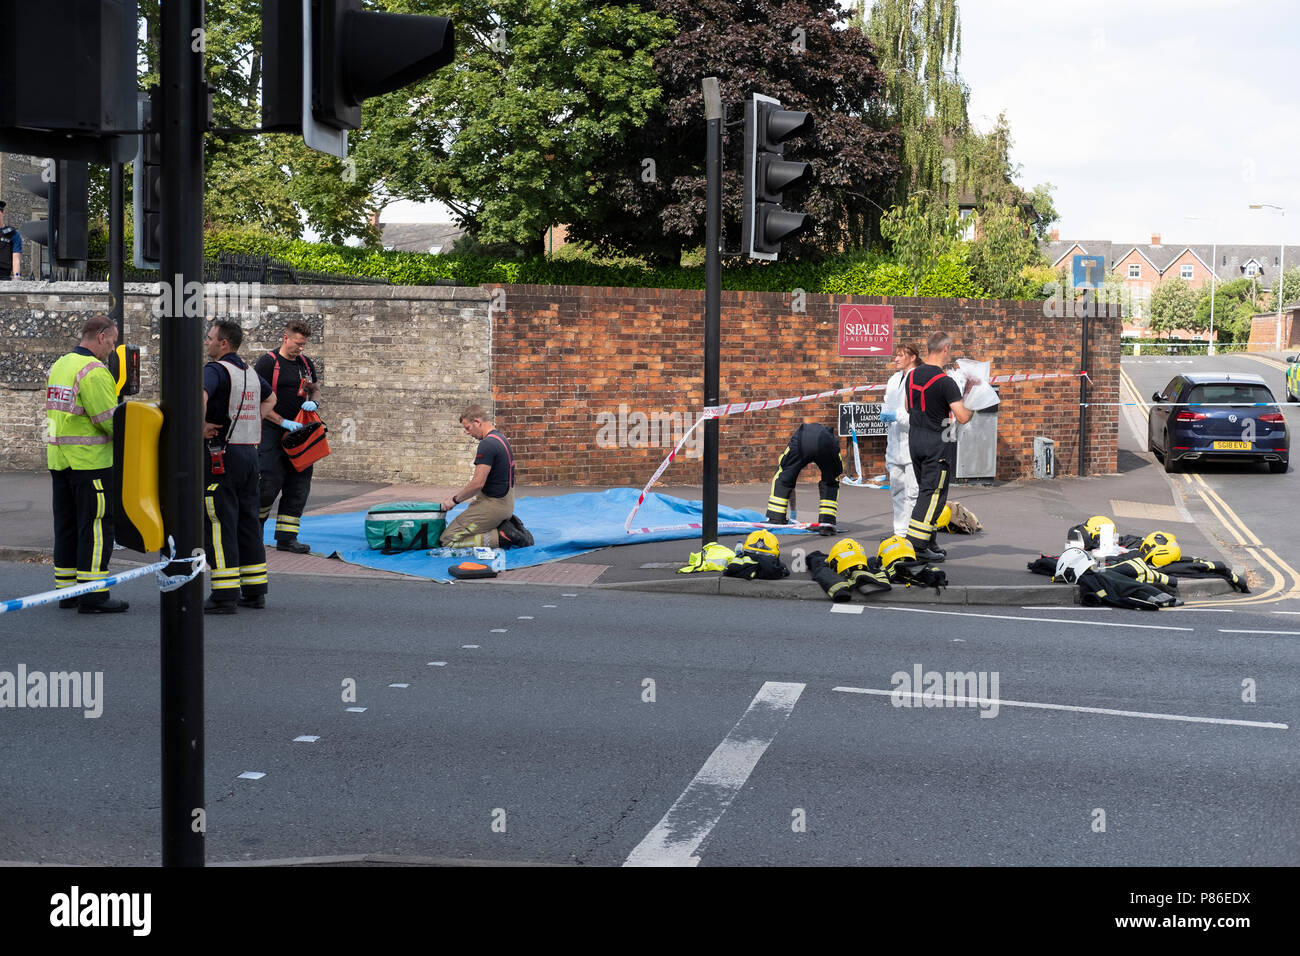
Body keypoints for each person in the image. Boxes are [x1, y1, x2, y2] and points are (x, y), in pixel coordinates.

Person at [45, 315, 127, 612]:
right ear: (102, 336)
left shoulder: (61, 365)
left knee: (66, 526)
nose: (113, 348)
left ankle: (66, 592)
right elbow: (110, 423)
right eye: (114, 341)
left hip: (59, 460)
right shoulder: (94, 371)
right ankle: (93, 595)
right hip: (90, 464)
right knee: (95, 526)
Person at [202, 319, 279, 613]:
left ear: (224, 343)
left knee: (219, 522)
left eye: (210, 338)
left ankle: (224, 595)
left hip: (222, 455)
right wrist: (251, 422)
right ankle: (255, 590)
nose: (206, 342)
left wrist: (200, 427)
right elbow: (271, 398)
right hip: (249, 455)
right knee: (248, 522)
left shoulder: (216, 370)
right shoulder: (248, 372)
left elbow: (202, 395)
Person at [903, 331, 972, 562]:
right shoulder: (945, 382)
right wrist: (974, 399)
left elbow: (907, 407)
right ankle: (917, 546)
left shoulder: (911, 375)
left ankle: (929, 541)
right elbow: (962, 417)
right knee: (933, 494)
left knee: (927, 489)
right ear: (946, 350)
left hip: (915, 439)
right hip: (936, 442)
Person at [254, 319, 321, 553]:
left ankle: (287, 538)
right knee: (268, 484)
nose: (300, 348)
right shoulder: (267, 363)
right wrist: (283, 422)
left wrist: (314, 401)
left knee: (298, 485)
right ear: (285, 337)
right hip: (272, 431)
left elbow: (313, 387)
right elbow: (256, 400)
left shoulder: (305, 363)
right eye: (297, 343)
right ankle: (254, 532)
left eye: (303, 344)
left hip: (300, 432)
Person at [439, 406, 531, 549]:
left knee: (448, 539)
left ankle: (503, 537)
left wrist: (454, 500)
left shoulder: (487, 444)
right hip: (504, 503)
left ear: (477, 422)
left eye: (468, 428)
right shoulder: (500, 438)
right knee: (466, 524)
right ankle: (506, 525)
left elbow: (477, 483)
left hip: (493, 505)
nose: (467, 432)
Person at [765, 422, 843, 535]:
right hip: (827, 442)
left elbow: (784, 464)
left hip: (802, 440)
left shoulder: (800, 434)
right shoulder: (828, 436)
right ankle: (827, 524)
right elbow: (838, 468)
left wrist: (787, 472)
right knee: (831, 481)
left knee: (783, 477)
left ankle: (776, 518)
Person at [879, 343, 920, 538]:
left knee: (912, 493)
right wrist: (885, 413)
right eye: (896, 355)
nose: (895, 359)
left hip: (912, 444)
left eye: (900, 355)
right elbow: (888, 402)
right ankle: (899, 533)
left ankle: (911, 535)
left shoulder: (918, 378)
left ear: (912, 357)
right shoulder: (894, 379)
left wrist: (898, 416)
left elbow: (921, 416)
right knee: (896, 491)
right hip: (894, 444)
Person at [0, 201, 22, 279]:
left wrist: (16, 276)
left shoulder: (13, 234)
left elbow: (16, 258)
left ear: (2, 213)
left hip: (4, 276)